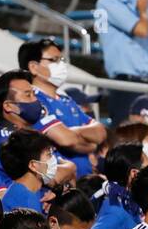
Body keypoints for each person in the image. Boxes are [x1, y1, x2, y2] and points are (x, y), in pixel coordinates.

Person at [21, 38, 105, 176]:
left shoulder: (67, 100)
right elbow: (66, 140)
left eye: (61, 60)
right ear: (33, 67)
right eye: (54, 60)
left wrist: (72, 132)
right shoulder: (33, 101)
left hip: (84, 180)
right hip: (58, 185)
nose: (60, 65)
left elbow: (100, 133)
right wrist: (84, 141)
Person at [0, 69, 75, 184]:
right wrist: (71, 167)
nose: (35, 100)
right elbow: (52, 178)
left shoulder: (33, 134)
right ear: (9, 106)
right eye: (28, 95)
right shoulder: (4, 145)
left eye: (34, 94)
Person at [0, 128, 55, 214]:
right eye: (49, 155)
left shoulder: (36, 191)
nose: (53, 159)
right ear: (33, 165)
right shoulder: (23, 203)